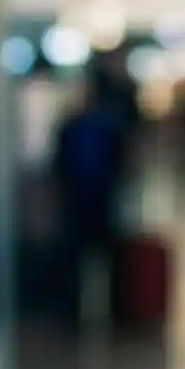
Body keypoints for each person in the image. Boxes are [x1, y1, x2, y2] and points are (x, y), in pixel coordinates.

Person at [52, 81, 126, 322]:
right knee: (76, 254)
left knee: (104, 252)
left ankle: (114, 308)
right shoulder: (73, 126)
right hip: (80, 195)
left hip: (99, 195)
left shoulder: (105, 126)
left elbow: (119, 159)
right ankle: (73, 309)